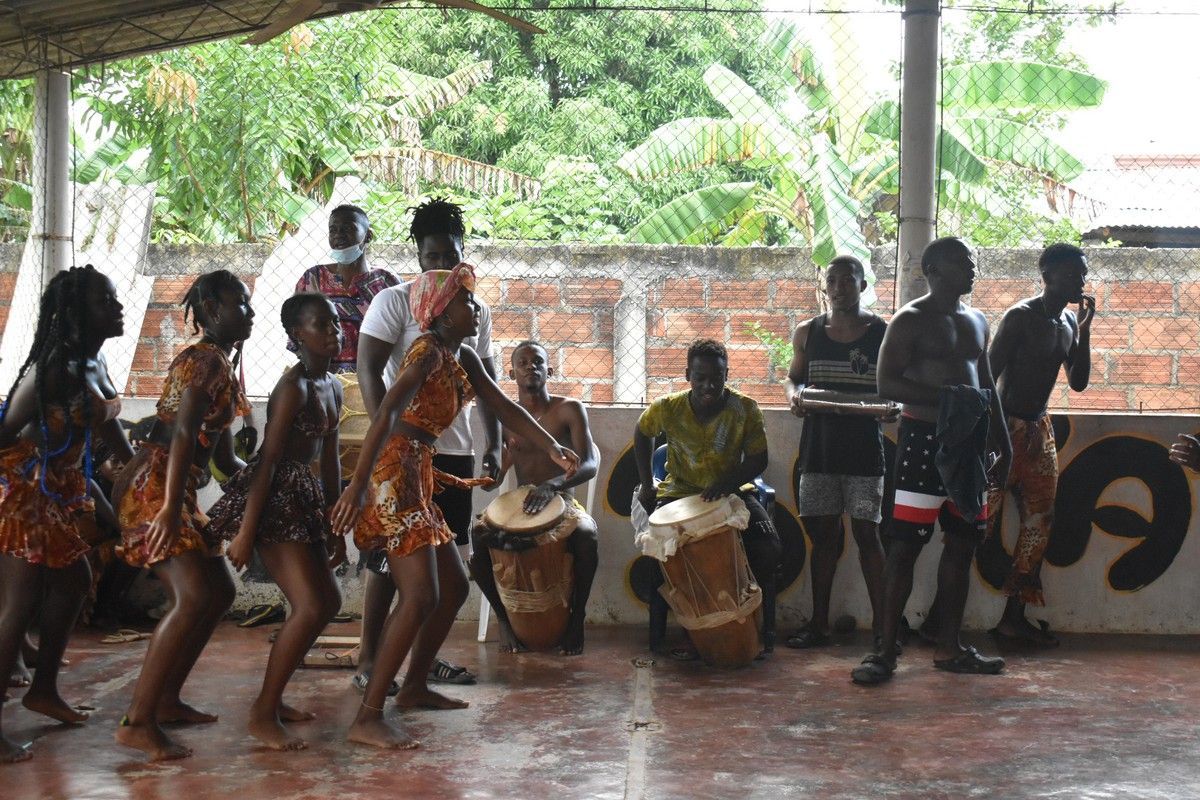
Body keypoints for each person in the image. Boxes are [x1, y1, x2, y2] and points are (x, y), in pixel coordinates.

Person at [330, 265, 578, 750]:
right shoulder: (425, 351)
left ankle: (414, 686)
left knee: (454, 587)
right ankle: (367, 717)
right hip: (394, 472)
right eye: (464, 299)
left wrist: (550, 446)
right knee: (420, 595)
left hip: (417, 470)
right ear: (440, 311)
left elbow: (504, 407)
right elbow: (386, 413)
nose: (475, 306)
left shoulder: (460, 354)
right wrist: (358, 484)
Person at [354, 198, 501, 691]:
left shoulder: (472, 309)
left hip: (451, 450)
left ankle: (419, 665)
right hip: (403, 452)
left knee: (444, 563)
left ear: (462, 254)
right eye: (431, 256)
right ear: (417, 256)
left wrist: (494, 444)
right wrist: (387, 441)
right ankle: (370, 661)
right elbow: (368, 369)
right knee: (389, 562)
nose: (440, 264)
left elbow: (489, 387)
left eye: (449, 256)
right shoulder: (396, 302)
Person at [851, 237, 1011, 686]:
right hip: (923, 441)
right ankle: (884, 651)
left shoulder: (977, 320)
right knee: (904, 547)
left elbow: (986, 387)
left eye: (973, 261)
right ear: (935, 270)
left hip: (970, 446)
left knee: (962, 544)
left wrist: (1003, 443)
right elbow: (886, 383)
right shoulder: (910, 320)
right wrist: (951, 401)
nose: (973, 268)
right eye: (964, 262)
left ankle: (949, 647)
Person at [112, 269, 254, 760]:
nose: (250, 312)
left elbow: (222, 458)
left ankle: (167, 700)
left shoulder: (221, 364)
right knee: (193, 596)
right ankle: (138, 721)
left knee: (219, 591)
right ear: (212, 309)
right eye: (240, 303)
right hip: (155, 488)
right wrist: (172, 509)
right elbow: (181, 435)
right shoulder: (203, 361)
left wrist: (262, 480)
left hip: (173, 488)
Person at [0, 266, 133, 763]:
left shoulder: (95, 362)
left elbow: (115, 438)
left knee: (75, 580)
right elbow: (6, 431)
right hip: (24, 490)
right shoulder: (54, 367)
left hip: (60, 487)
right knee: (19, 605)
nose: (117, 307)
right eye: (105, 300)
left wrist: (145, 473)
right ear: (77, 312)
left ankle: (44, 691)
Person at [205, 293, 346, 751]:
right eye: (322, 325)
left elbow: (330, 459)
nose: (333, 332)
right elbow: (266, 462)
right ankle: (262, 713)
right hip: (272, 498)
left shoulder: (333, 385)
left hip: (302, 493)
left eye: (335, 323)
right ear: (296, 335)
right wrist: (246, 532)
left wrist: (335, 522)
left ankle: (275, 699)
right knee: (310, 606)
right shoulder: (293, 388)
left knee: (328, 601)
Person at [633, 338, 782, 657]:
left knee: (768, 548)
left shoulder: (745, 408)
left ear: (727, 374)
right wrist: (647, 485)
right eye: (700, 377)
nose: (709, 385)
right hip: (678, 494)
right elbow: (642, 432)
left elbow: (759, 459)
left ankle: (745, 623)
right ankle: (678, 631)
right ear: (688, 374)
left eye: (717, 377)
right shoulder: (668, 407)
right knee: (658, 557)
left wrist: (727, 482)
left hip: (732, 493)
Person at [981, 243, 1094, 647]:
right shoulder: (1020, 317)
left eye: (1083, 274)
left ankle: (1013, 620)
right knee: (976, 525)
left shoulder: (1068, 322)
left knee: (1039, 525)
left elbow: (1078, 382)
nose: (1081, 281)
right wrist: (993, 437)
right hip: (1002, 427)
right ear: (1046, 276)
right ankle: (941, 619)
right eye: (1072, 274)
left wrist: (1085, 330)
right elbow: (986, 378)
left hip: (1039, 430)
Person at [784, 256, 893, 650]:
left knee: (868, 535)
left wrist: (891, 406)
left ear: (863, 286)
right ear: (825, 286)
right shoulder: (808, 332)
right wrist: (794, 397)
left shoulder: (881, 332)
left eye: (848, 280)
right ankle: (819, 625)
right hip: (819, 452)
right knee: (824, 537)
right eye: (832, 280)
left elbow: (894, 386)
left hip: (864, 454)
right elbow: (793, 379)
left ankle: (883, 630)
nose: (839, 287)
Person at [469, 340, 600, 655]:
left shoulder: (569, 409)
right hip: (524, 504)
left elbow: (589, 464)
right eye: (523, 363)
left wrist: (552, 485)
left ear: (550, 370)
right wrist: (492, 472)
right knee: (477, 536)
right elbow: (494, 478)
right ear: (511, 373)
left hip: (563, 503)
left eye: (538, 361)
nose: (531, 367)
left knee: (587, 535)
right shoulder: (505, 418)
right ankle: (503, 620)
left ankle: (577, 620)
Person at [293, 204, 400, 374]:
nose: (338, 235)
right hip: (326, 378)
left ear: (368, 235)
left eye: (348, 228)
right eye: (333, 230)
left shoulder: (386, 282)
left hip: (376, 378)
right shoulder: (313, 279)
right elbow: (297, 334)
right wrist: (317, 377)